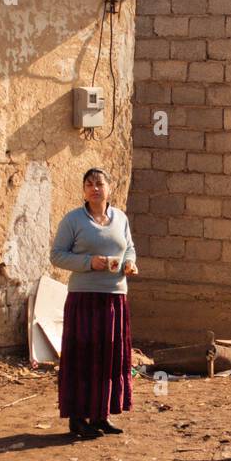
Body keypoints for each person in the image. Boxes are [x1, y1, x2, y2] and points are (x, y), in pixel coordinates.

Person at [49, 167, 138, 439]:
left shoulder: (120, 218)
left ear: (109, 188)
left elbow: (129, 247)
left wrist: (130, 263)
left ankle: (102, 414)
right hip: (84, 298)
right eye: (89, 184)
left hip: (114, 299)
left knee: (109, 357)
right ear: (84, 190)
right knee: (83, 357)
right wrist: (89, 263)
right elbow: (57, 255)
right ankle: (78, 417)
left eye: (99, 183)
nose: (94, 188)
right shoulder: (74, 220)